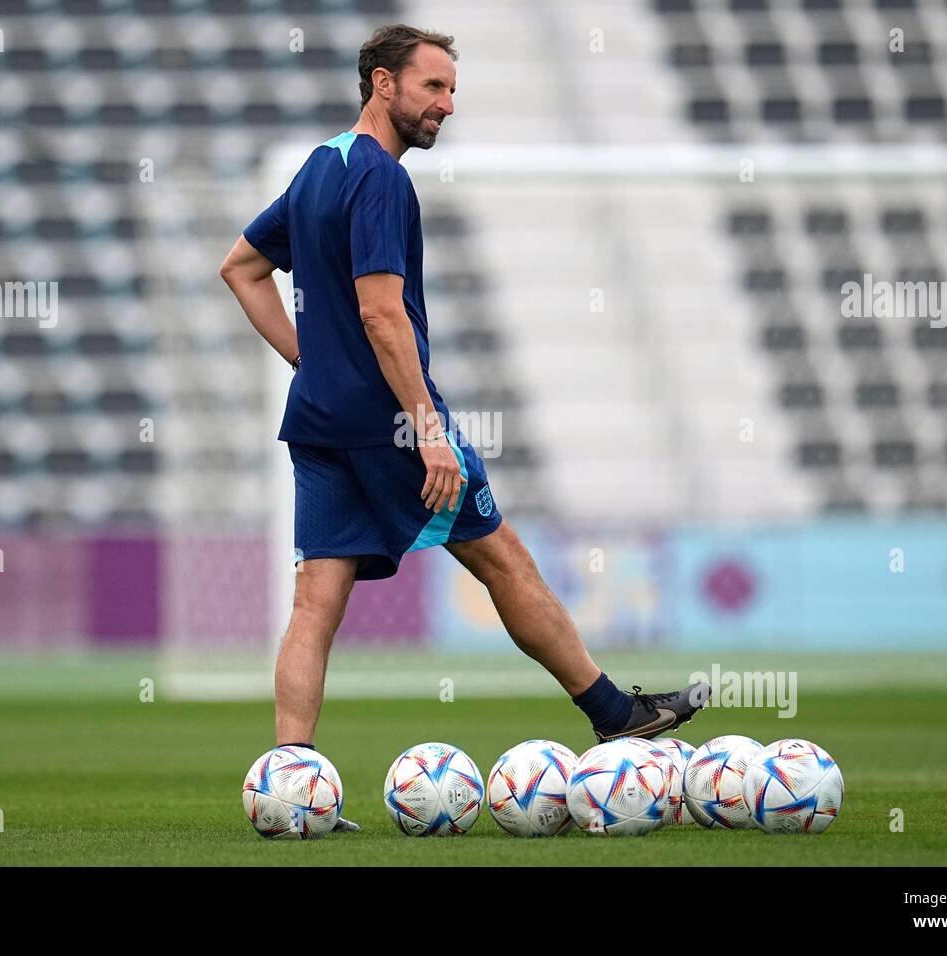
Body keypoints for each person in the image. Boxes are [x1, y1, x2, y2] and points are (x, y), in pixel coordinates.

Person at [220, 24, 710, 830]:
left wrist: (311, 364)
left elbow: (239, 266)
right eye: (433, 87)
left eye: (451, 90)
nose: (447, 104)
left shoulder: (318, 167)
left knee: (315, 605)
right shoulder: (379, 178)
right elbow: (382, 314)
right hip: (391, 428)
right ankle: (614, 712)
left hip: (317, 424)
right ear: (383, 83)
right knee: (504, 558)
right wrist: (428, 430)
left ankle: (289, 789)